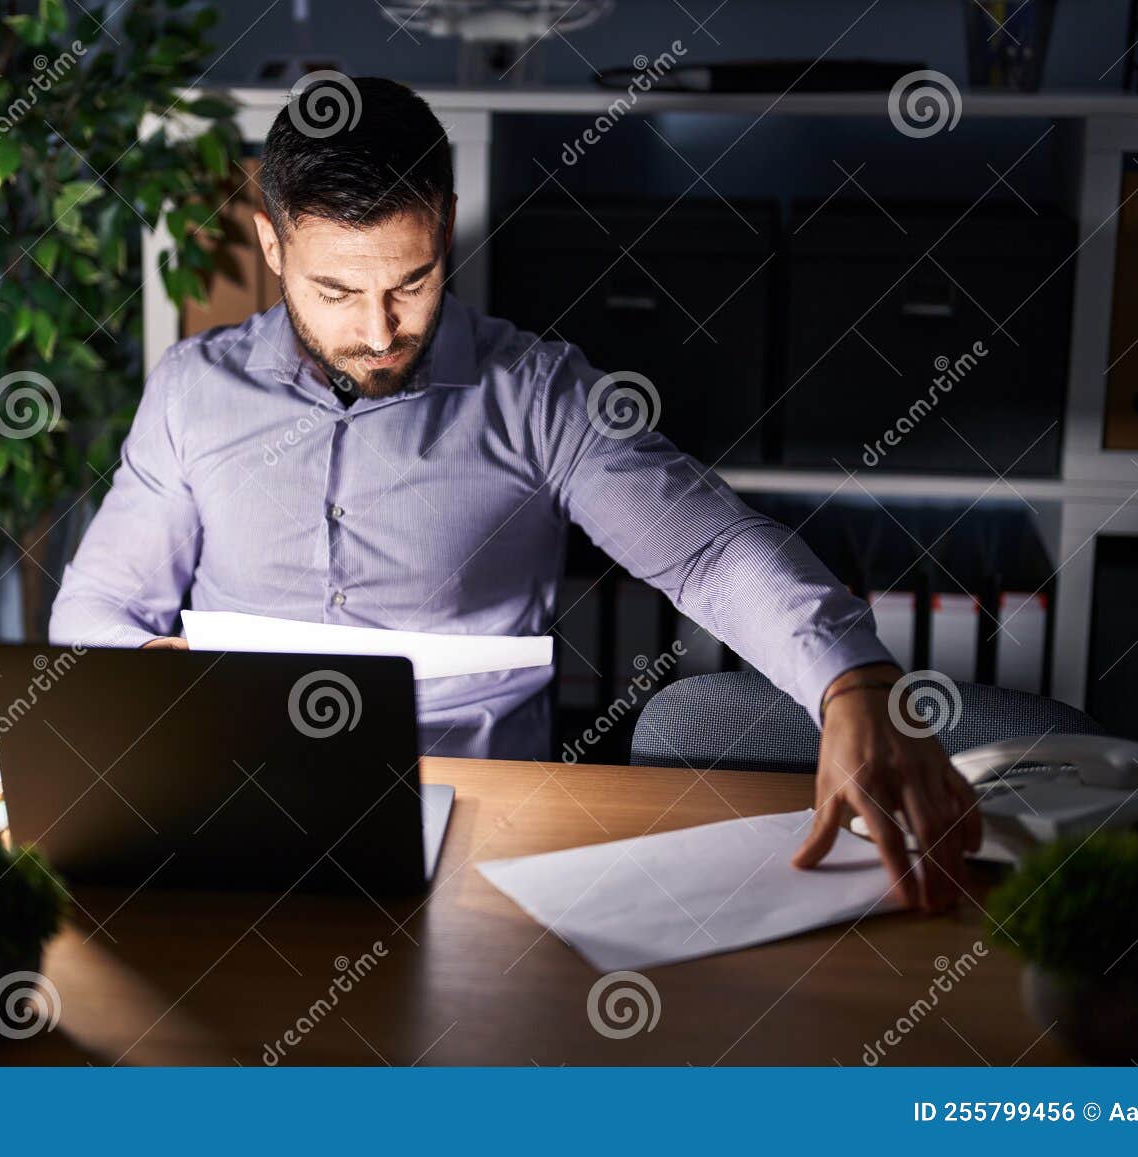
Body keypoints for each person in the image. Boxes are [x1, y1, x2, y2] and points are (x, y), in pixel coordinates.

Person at [49, 77, 980, 912]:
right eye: (335, 289)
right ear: (271, 243)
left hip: (473, 832)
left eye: (411, 282)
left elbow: (706, 552)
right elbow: (96, 607)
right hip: (230, 804)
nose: (379, 330)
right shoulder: (191, 389)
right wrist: (144, 671)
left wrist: (852, 680)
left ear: (445, 225)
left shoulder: (539, 393)